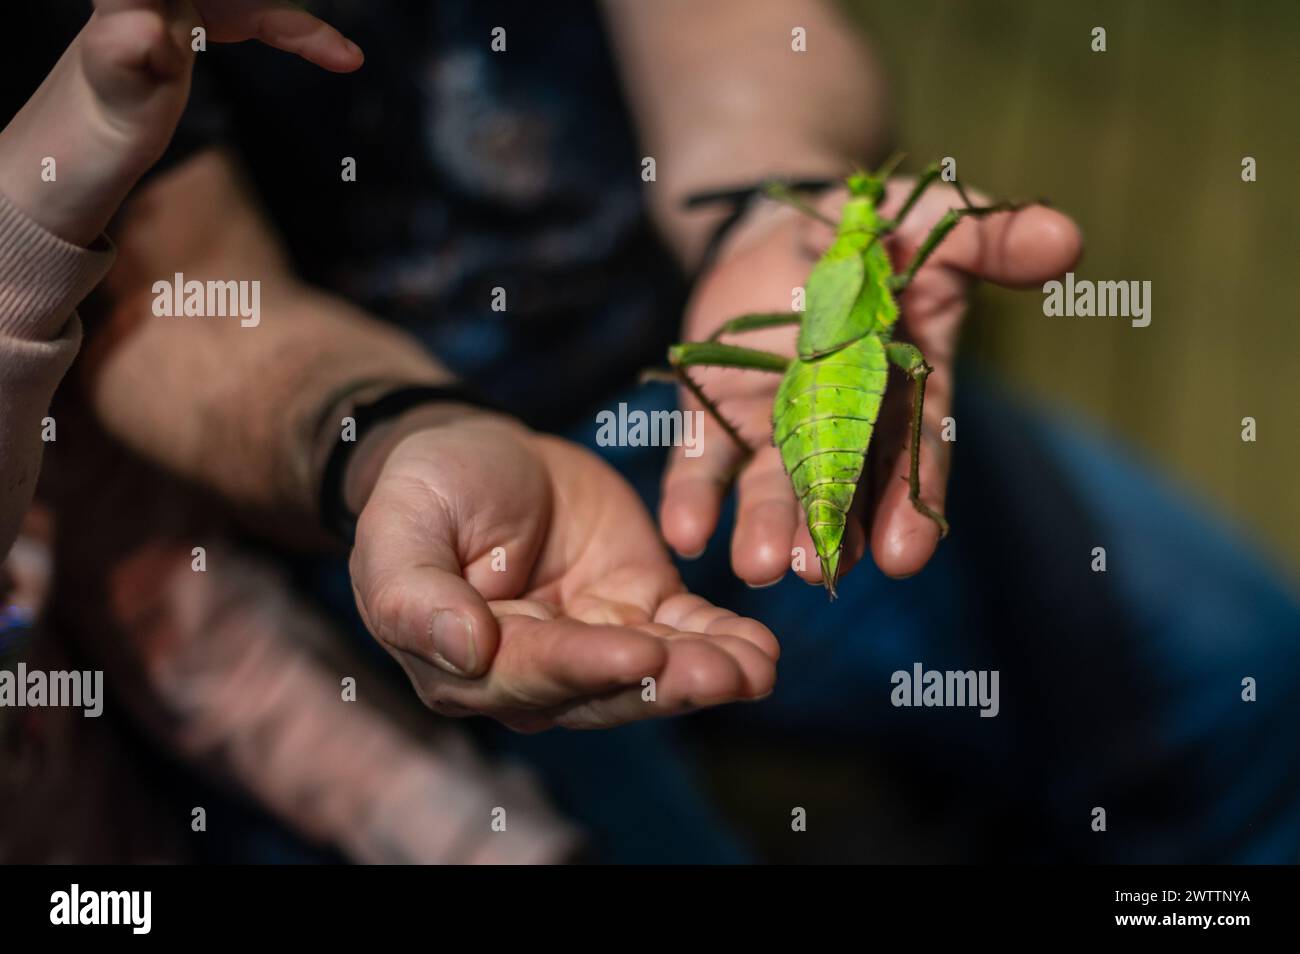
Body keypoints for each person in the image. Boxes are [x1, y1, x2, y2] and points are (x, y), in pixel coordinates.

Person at [15, 0, 1300, 861]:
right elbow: (172, 302)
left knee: (1251, 673)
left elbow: (751, 37)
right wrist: (390, 438)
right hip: (349, 493)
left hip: (721, 365)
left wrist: (768, 199)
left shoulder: (823, 273)